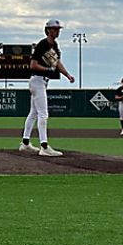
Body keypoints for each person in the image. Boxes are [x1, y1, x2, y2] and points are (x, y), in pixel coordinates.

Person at [19, 19, 75, 156]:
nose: (57, 31)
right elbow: (33, 65)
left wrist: (67, 75)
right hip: (37, 81)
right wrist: (47, 69)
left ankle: (25, 143)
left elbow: (56, 63)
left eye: (58, 29)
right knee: (43, 114)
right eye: (55, 29)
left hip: (40, 82)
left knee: (33, 114)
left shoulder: (54, 45)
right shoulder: (42, 45)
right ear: (48, 30)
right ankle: (44, 147)